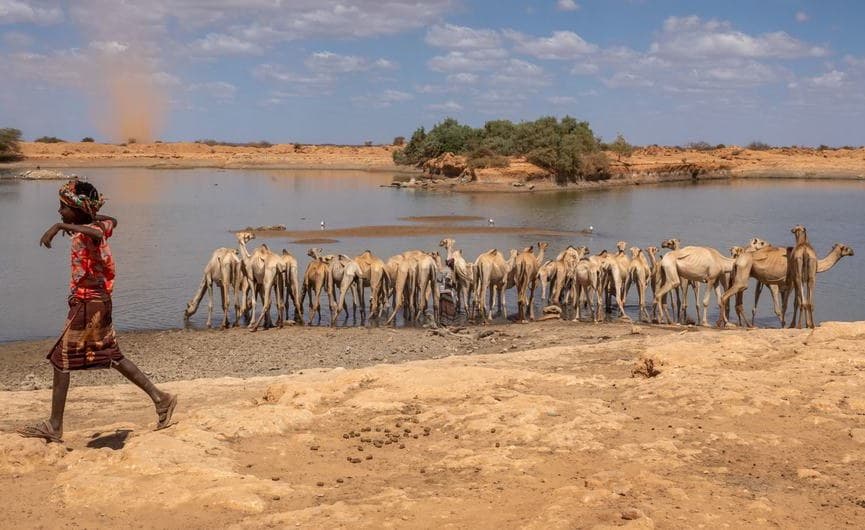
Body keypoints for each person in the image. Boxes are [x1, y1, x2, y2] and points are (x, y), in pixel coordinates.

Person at [18, 179, 176, 443]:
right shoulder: (94, 224)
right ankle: (161, 399)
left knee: (61, 358)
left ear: (77, 212)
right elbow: (111, 220)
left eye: (63, 208)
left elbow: (99, 233)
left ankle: (54, 426)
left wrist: (62, 226)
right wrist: (79, 220)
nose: (59, 212)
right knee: (111, 354)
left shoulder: (93, 231)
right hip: (95, 301)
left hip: (89, 303)